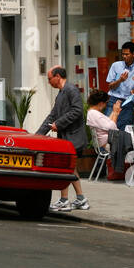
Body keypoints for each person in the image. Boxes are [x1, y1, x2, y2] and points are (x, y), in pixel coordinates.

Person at [36, 67, 90, 211]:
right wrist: (37, 136)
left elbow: (77, 110)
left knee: (66, 168)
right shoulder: (61, 94)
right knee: (70, 168)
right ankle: (80, 199)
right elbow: (52, 116)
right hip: (67, 138)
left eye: (49, 79)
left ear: (58, 76)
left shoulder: (71, 90)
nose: (48, 82)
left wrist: (58, 124)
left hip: (74, 138)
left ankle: (65, 200)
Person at [101, 42, 134, 130]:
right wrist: (120, 80)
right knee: (108, 128)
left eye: (127, 54)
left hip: (128, 103)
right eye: (123, 54)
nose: (124, 56)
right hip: (114, 101)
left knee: (126, 130)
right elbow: (110, 86)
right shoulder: (116, 66)